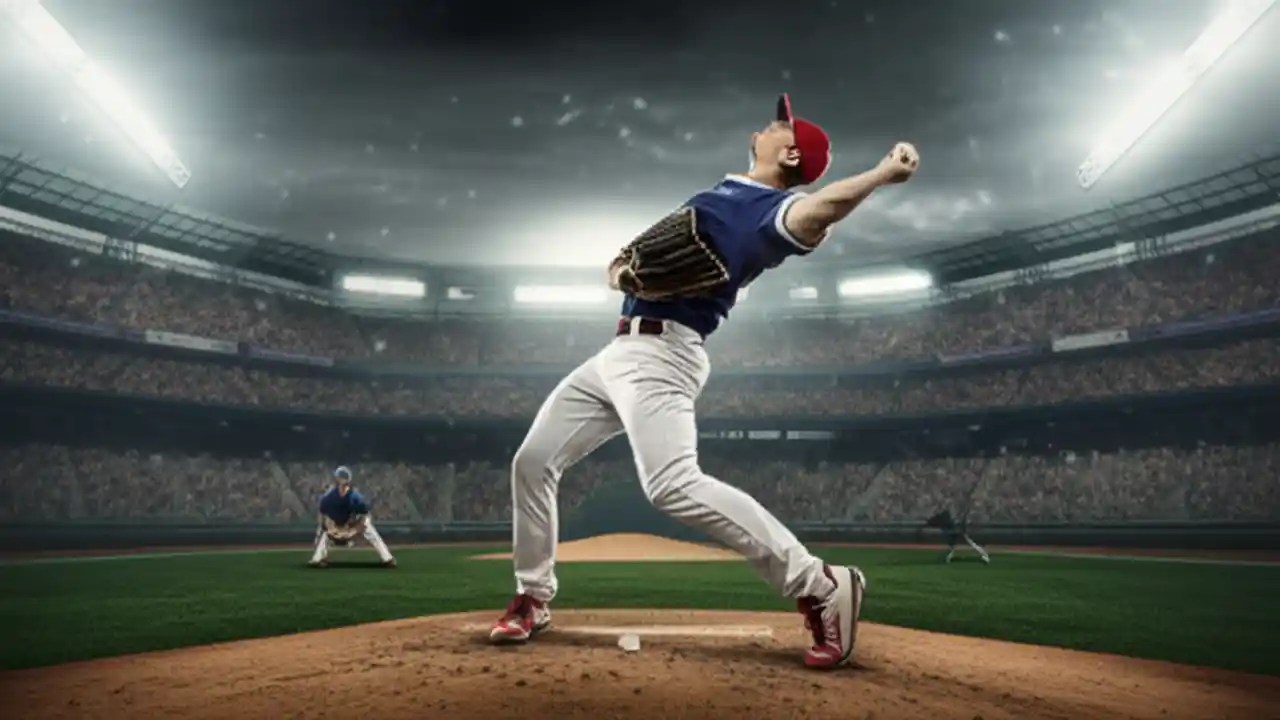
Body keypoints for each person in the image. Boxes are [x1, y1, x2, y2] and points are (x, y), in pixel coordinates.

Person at [489, 93, 919, 670]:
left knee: (671, 484)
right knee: (533, 461)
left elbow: (817, 212)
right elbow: (647, 257)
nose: (774, 122)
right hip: (618, 351)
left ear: (789, 152)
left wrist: (882, 174)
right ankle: (533, 597)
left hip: (663, 355)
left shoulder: (772, 212)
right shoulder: (727, 193)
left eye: (783, 124)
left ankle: (819, 582)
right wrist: (622, 269)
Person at [309, 466, 396, 568]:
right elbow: (323, 516)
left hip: (352, 527)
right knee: (322, 533)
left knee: (369, 529)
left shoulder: (356, 498)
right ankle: (317, 558)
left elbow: (365, 517)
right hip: (336, 526)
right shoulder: (329, 498)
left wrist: (354, 531)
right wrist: (329, 528)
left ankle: (387, 558)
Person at [925, 508, 991, 564]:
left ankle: (984, 556)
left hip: (958, 532)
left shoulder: (949, 518)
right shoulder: (947, 518)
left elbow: (959, 525)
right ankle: (948, 557)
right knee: (955, 545)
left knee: (969, 544)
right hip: (956, 532)